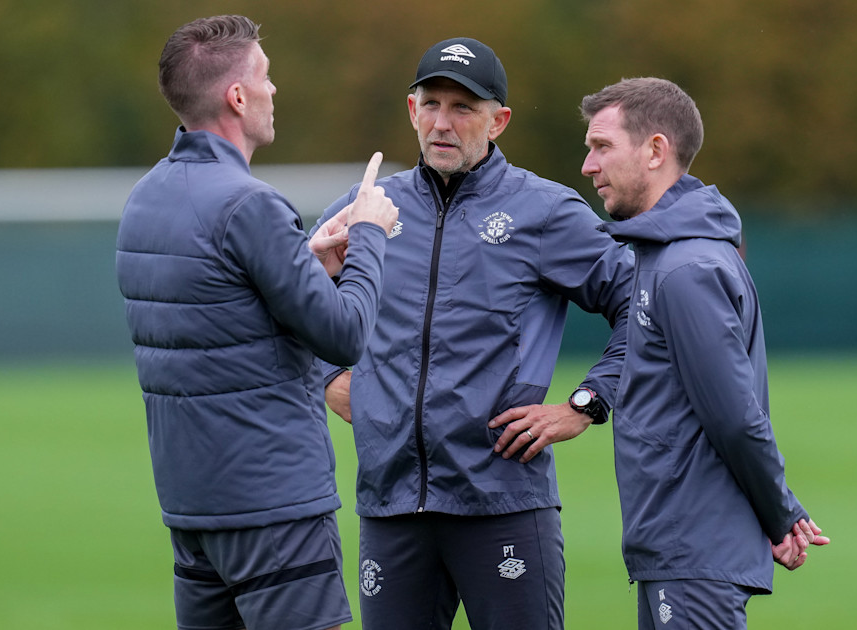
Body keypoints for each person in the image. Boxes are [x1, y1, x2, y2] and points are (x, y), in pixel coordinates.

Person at [312, 37, 634, 630]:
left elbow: (644, 305)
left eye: (463, 107)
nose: (442, 122)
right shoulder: (367, 211)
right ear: (412, 110)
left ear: (498, 120)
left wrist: (586, 404)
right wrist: (327, 377)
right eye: (431, 103)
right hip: (391, 503)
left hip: (502, 502)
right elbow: (295, 306)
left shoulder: (544, 211)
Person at [115, 15, 397, 630]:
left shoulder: (143, 199)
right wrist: (371, 235)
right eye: (265, 77)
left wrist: (308, 265)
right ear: (237, 97)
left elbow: (222, 314)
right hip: (274, 506)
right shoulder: (251, 204)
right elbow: (345, 334)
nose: (275, 91)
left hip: (192, 510)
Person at [578, 77, 829, 629]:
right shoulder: (666, 254)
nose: (587, 166)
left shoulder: (685, 269)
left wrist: (780, 512)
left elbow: (735, 418)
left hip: (691, 551)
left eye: (601, 147)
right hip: (678, 550)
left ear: (656, 150)